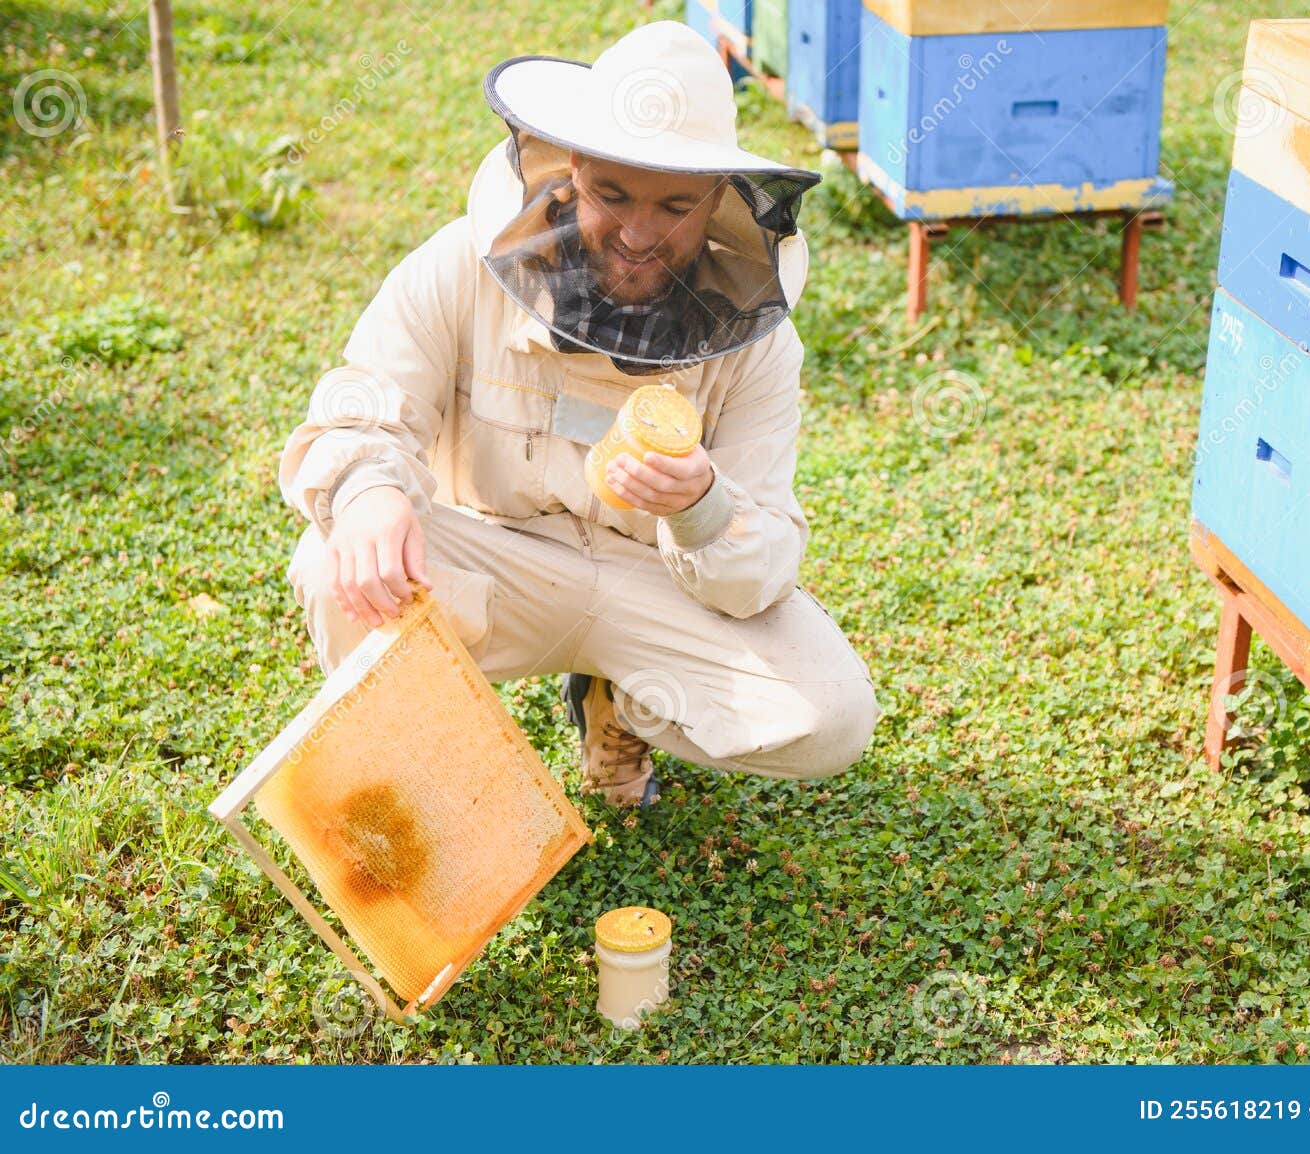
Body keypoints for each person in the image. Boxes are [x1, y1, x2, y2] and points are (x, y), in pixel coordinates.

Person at [277, 21, 881, 807]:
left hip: (654, 587)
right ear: (571, 171)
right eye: (613, 194)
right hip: (496, 559)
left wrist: (703, 505)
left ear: (720, 204)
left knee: (830, 713)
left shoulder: (760, 346)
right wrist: (369, 490)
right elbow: (362, 402)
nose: (638, 233)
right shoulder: (460, 265)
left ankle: (622, 702)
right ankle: (443, 768)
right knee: (332, 562)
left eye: (674, 205)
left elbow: (762, 562)